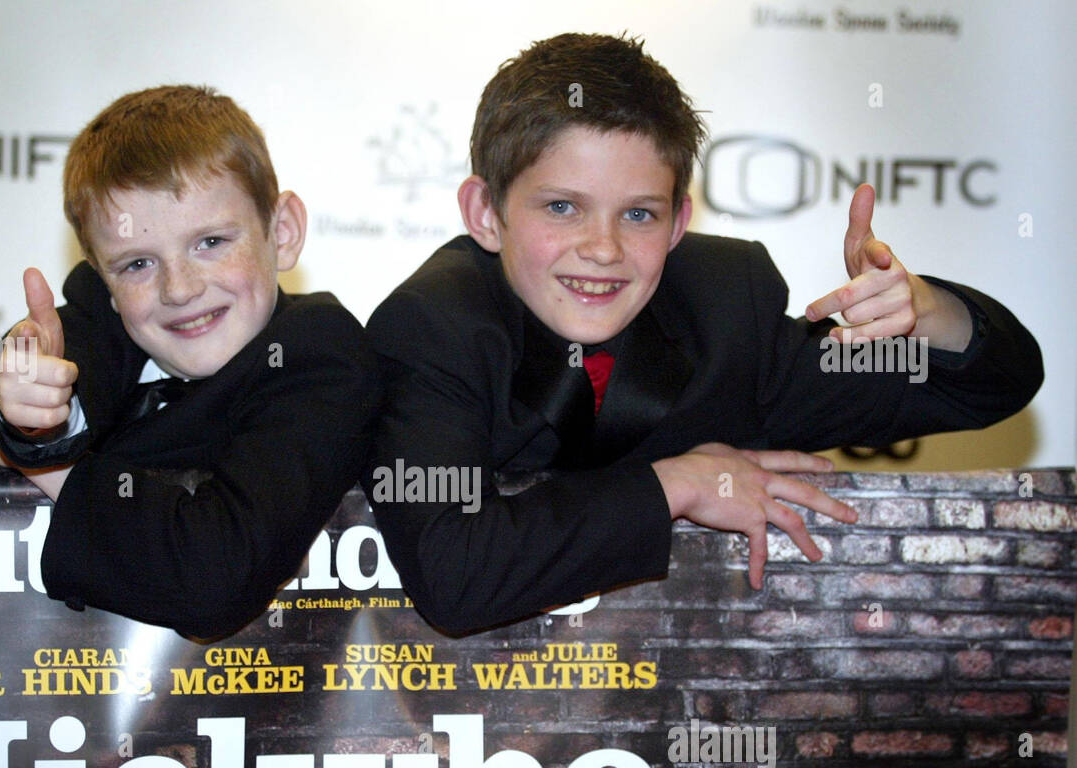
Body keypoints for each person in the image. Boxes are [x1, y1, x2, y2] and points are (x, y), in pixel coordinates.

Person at [363, 32, 1043, 634]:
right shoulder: (431, 326)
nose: (602, 248)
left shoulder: (723, 316)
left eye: (639, 214)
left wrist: (927, 315)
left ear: (680, 223)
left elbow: (996, 384)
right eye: (563, 207)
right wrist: (677, 484)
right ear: (484, 212)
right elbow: (455, 572)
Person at [0, 85, 380, 639]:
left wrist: (47, 465)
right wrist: (27, 411)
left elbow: (216, 578)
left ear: (281, 233)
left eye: (211, 241)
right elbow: (59, 354)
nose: (180, 288)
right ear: (103, 278)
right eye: (138, 263)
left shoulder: (322, 354)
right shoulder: (100, 323)